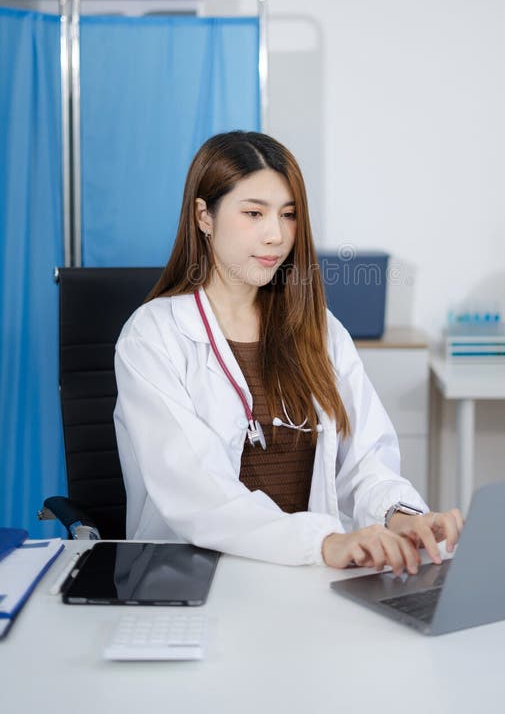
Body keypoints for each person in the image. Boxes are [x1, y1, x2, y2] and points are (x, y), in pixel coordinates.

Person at [114, 131, 463, 572]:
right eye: (254, 213)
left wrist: (403, 517)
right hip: (196, 577)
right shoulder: (153, 336)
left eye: (289, 214)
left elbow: (365, 459)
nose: (276, 235)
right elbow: (197, 491)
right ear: (204, 215)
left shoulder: (318, 330)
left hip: (305, 576)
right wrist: (324, 541)